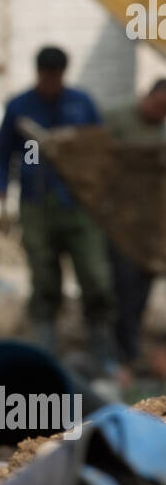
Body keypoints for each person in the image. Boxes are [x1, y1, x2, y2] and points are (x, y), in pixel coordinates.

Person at [0, 45, 113, 356]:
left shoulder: (81, 103)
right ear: (39, 73)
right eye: (47, 76)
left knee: (95, 275)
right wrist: (2, 191)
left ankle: (102, 348)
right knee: (44, 276)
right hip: (36, 202)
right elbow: (3, 152)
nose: (52, 81)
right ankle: (46, 348)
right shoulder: (20, 107)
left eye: (57, 76)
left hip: (78, 203)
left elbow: (101, 147)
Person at [103, 79, 166, 369]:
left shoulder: (163, 129)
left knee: (142, 286)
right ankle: (119, 356)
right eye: (158, 106)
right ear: (147, 97)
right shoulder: (116, 118)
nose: (159, 114)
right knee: (123, 287)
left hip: (152, 226)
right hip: (121, 224)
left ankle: (132, 351)